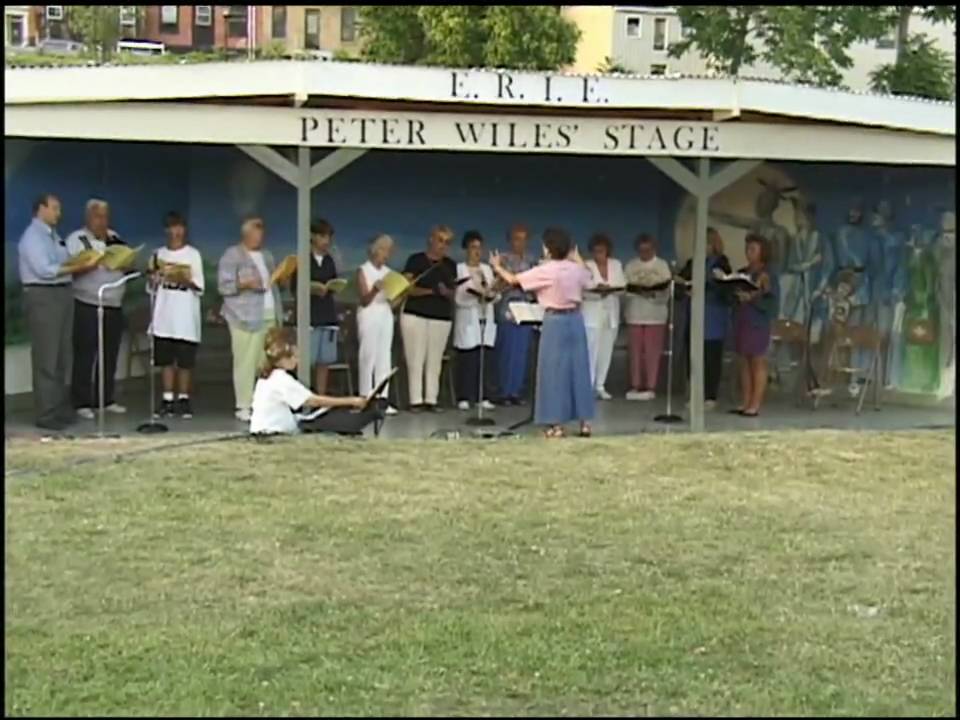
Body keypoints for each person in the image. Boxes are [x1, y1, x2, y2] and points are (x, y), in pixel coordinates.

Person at [490, 227, 595, 438]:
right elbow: (590, 280)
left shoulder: (546, 270)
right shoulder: (576, 269)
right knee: (579, 369)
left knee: (553, 372)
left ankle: (557, 424)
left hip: (555, 321)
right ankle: (585, 423)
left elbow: (514, 280)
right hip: (576, 320)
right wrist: (578, 259)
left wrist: (497, 266)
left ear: (548, 248)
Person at [18, 193, 99, 431]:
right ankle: (46, 413)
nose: (58, 213)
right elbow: (44, 270)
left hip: (62, 294)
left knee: (62, 356)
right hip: (43, 296)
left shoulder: (54, 236)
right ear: (40, 209)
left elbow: (64, 261)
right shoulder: (32, 237)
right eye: (54, 208)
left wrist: (80, 261)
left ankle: (59, 408)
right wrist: (77, 266)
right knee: (47, 356)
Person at [65, 199, 130, 420]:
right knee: (85, 354)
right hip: (87, 303)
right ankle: (81, 401)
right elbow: (69, 269)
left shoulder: (115, 237)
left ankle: (105, 399)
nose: (102, 221)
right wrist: (90, 263)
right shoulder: (77, 239)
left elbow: (128, 261)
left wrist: (125, 263)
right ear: (88, 217)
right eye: (98, 216)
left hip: (113, 304)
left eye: (105, 216)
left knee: (109, 354)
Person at [250, 327, 380, 436]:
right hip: (273, 432)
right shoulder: (280, 379)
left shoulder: (267, 378)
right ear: (282, 358)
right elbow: (313, 401)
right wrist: (351, 401)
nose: (297, 361)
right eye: (294, 357)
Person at [218, 217, 284, 422]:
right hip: (243, 316)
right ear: (246, 235)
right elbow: (224, 286)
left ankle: (264, 402)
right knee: (245, 361)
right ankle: (243, 405)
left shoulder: (267, 255)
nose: (259, 238)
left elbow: (272, 283)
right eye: (255, 234)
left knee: (267, 361)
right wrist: (244, 284)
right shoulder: (232, 255)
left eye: (261, 234)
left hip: (268, 313)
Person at [147, 212, 205, 418]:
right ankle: (167, 399)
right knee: (166, 361)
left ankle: (184, 399)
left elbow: (200, 287)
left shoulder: (193, 255)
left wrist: (184, 279)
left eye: (180, 227)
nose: (177, 231)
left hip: (185, 317)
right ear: (167, 230)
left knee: (185, 362)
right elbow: (151, 288)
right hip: (164, 316)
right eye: (173, 227)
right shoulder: (157, 254)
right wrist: (154, 279)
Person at [400, 225, 458, 412]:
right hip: (415, 314)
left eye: (447, 242)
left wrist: (446, 292)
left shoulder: (450, 265)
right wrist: (431, 291)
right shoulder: (416, 260)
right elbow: (407, 288)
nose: (443, 245)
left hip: (441, 316)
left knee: (435, 360)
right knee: (415, 359)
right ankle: (415, 400)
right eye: (440, 240)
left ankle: (431, 399)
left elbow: (454, 292)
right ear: (431, 240)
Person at [679, 227, 732, 409]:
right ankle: (695, 393)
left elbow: (727, 287)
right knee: (693, 356)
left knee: (711, 357)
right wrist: (684, 287)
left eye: (707, 243)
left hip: (713, 316)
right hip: (694, 315)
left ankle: (710, 395)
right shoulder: (692, 262)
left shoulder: (722, 262)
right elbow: (682, 281)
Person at [288, 219, 341, 394]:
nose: (326, 241)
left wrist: (332, 287)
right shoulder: (302, 259)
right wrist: (311, 288)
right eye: (322, 236)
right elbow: (294, 287)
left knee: (324, 360)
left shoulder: (330, 260)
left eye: (328, 237)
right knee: (305, 360)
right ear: (313, 236)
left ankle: (321, 396)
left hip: (327, 314)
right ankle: (302, 395)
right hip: (309, 316)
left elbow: (334, 281)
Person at [732, 234, 779, 417]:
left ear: (762, 252)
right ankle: (746, 401)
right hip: (741, 319)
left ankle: (755, 403)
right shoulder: (743, 272)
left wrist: (752, 299)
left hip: (758, 321)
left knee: (757, 360)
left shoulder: (768, 274)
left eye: (753, 249)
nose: (748, 252)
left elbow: (771, 302)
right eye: (747, 248)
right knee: (743, 361)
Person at [623, 234, 672, 401]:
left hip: (655, 315)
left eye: (648, 250)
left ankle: (651, 385)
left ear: (654, 249)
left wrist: (653, 294)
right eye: (641, 250)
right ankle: (635, 384)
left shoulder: (662, 265)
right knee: (635, 352)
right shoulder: (631, 265)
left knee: (652, 352)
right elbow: (624, 289)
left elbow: (667, 289)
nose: (644, 253)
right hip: (635, 313)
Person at [454, 230, 498, 411]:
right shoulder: (460, 269)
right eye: (473, 247)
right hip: (468, 316)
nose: (477, 252)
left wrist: (491, 295)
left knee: (484, 358)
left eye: (479, 248)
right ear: (466, 249)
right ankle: (464, 396)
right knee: (468, 359)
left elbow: (494, 291)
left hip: (485, 315)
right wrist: (476, 296)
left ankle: (483, 396)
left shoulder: (486, 269)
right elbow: (458, 296)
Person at [356, 234, 399, 416]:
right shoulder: (363, 270)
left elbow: (393, 301)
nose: (386, 255)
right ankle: (365, 397)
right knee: (368, 355)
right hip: (369, 313)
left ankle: (383, 399)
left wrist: (400, 293)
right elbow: (364, 300)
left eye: (389, 251)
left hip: (385, 313)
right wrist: (375, 289)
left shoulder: (389, 273)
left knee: (384, 355)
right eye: (384, 250)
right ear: (375, 250)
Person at [494, 223, 536, 405]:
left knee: (521, 352)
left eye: (524, 239)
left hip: (525, 308)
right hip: (508, 308)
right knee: (507, 351)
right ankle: (504, 392)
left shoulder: (531, 260)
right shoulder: (503, 259)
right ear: (510, 240)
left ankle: (516, 391)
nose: (520, 243)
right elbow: (498, 284)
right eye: (517, 239)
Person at [582, 232, 625, 400]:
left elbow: (622, 286)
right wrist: (599, 290)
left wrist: (609, 289)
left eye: (602, 250)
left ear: (608, 250)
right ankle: (588, 385)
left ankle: (600, 385)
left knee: (606, 350)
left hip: (611, 312)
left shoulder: (616, 264)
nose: (599, 254)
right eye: (596, 251)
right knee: (591, 351)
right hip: (592, 312)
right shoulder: (586, 265)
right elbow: (583, 290)